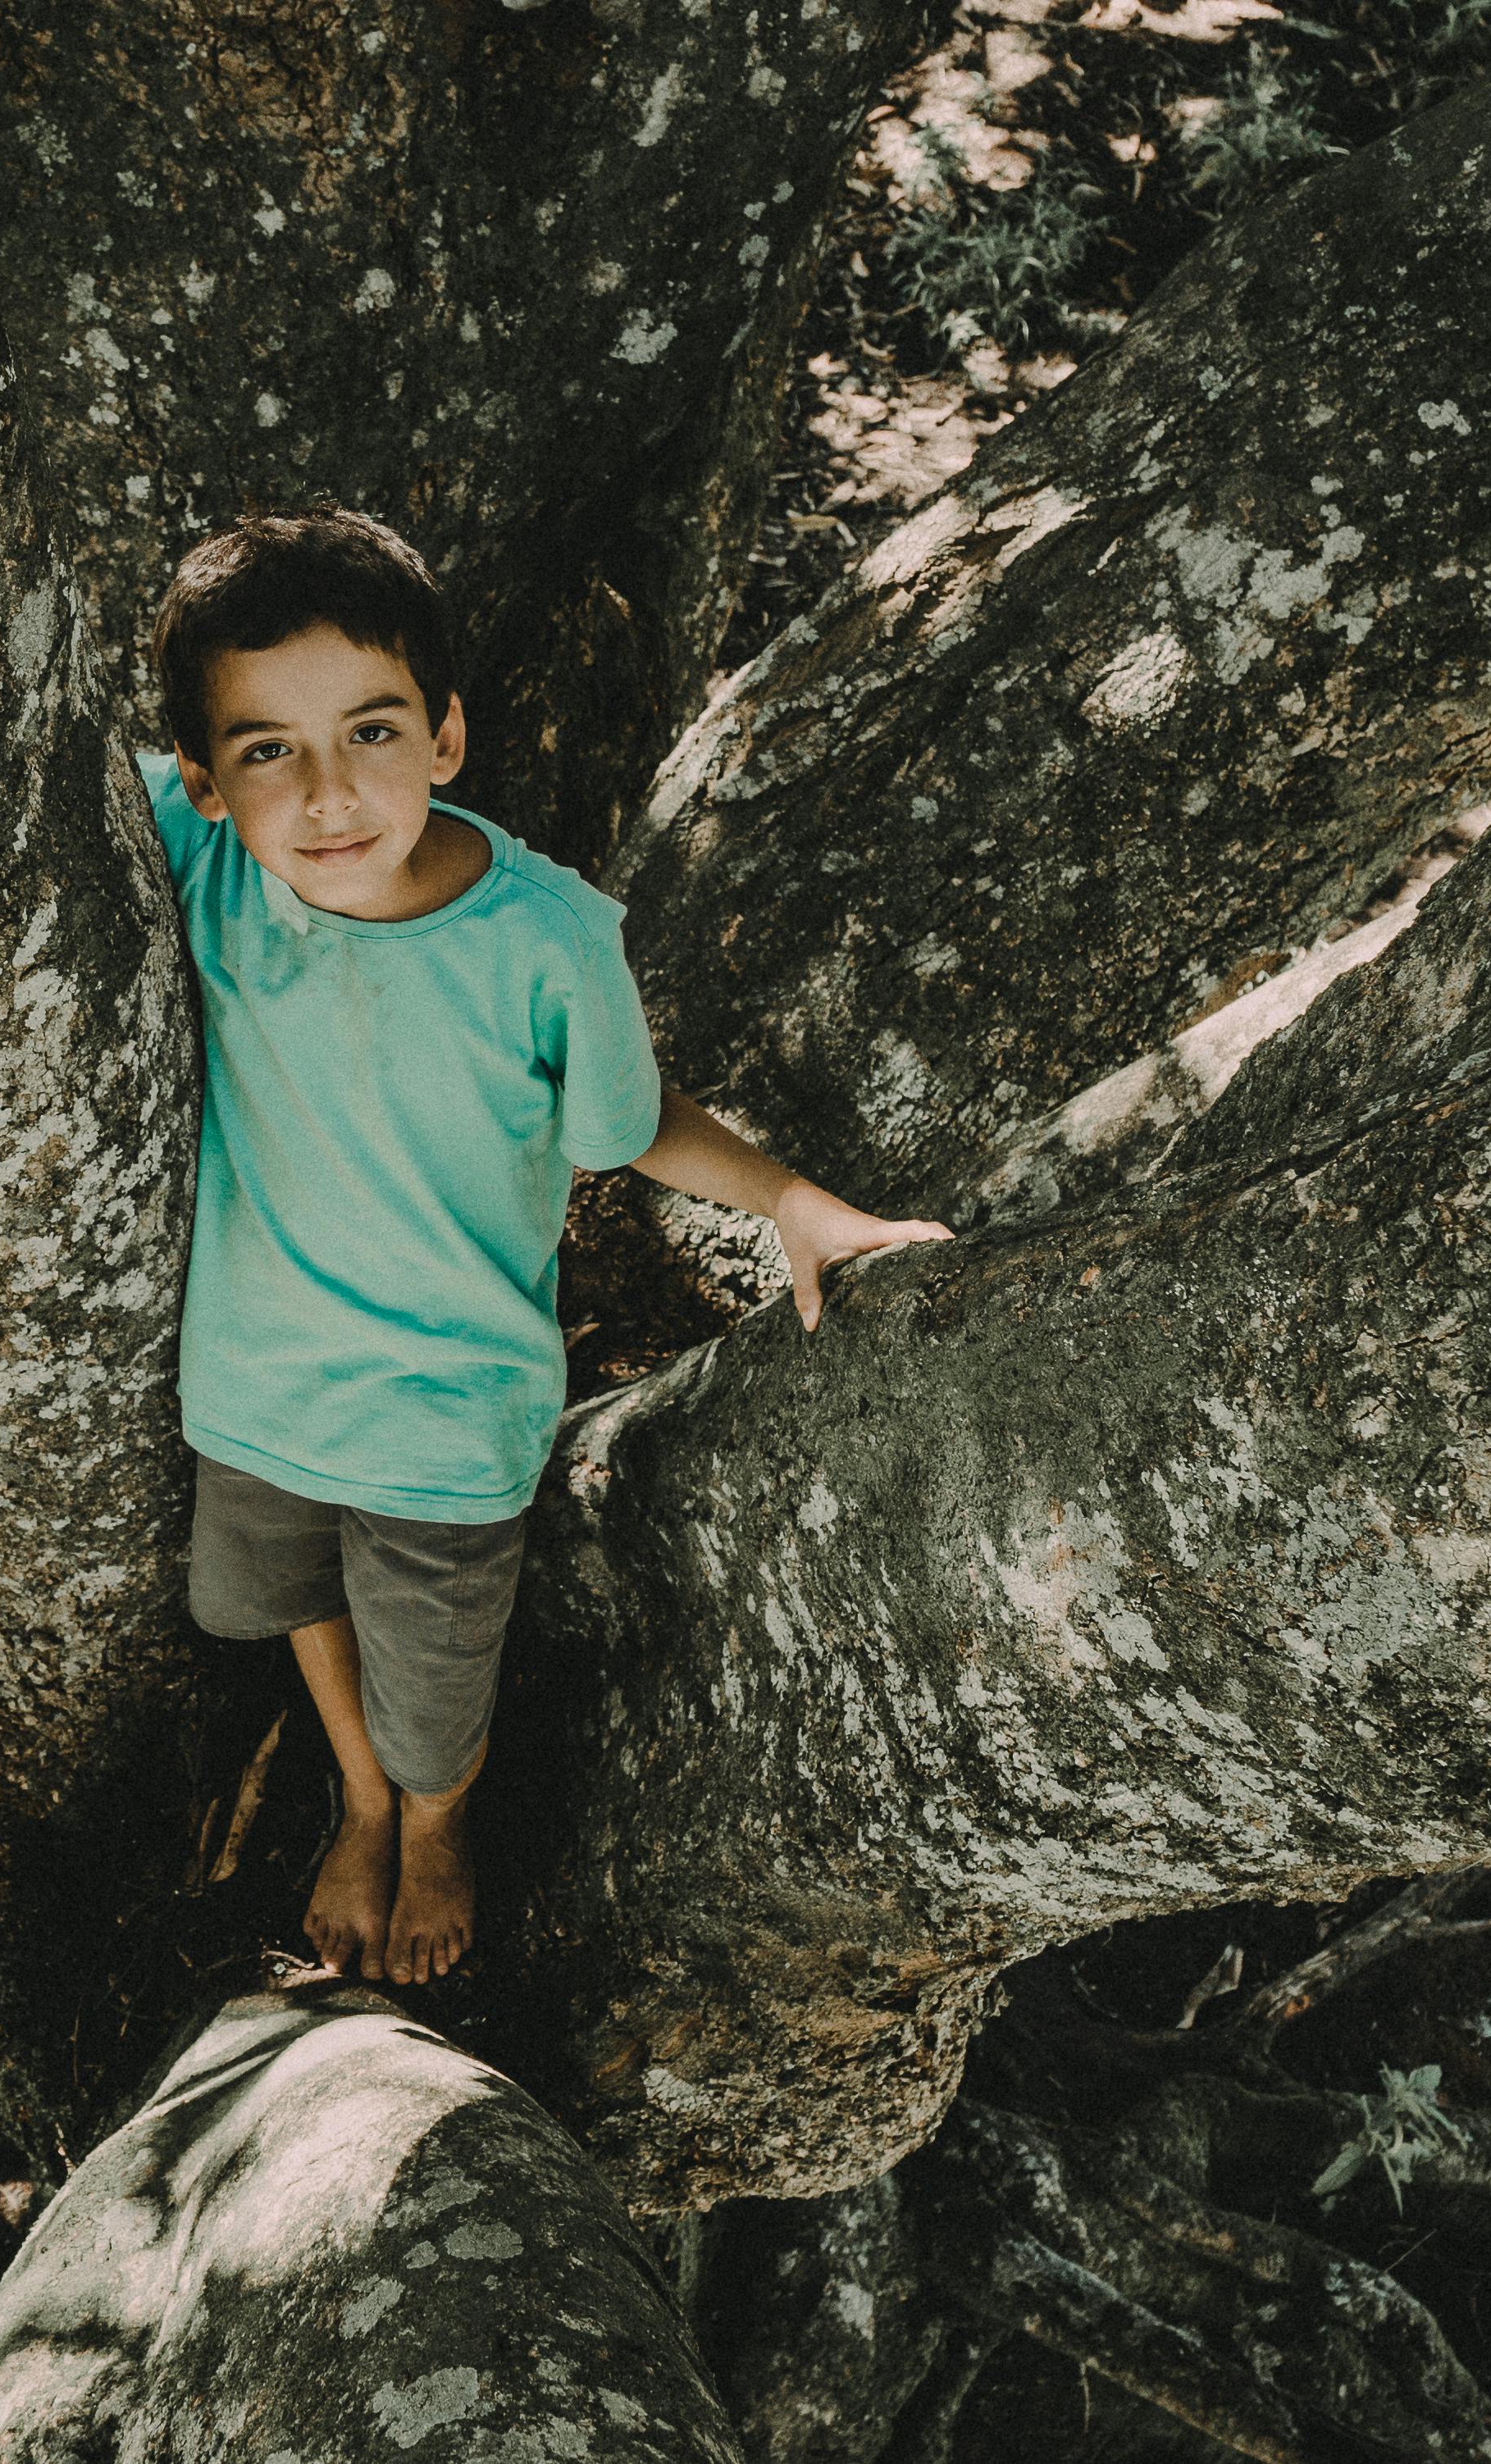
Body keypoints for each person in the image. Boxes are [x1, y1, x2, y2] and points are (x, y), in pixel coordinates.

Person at [142, 507, 950, 1986]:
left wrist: (789, 1200)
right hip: (254, 1380)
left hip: (449, 1411)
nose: (328, 793)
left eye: (371, 732)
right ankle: (360, 1796)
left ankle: (435, 1810)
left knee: (435, 1675)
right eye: (267, 751)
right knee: (292, 1599)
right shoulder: (211, 867)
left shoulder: (542, 938)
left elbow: (630, 1123)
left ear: (445, 736)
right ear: (202, 778)